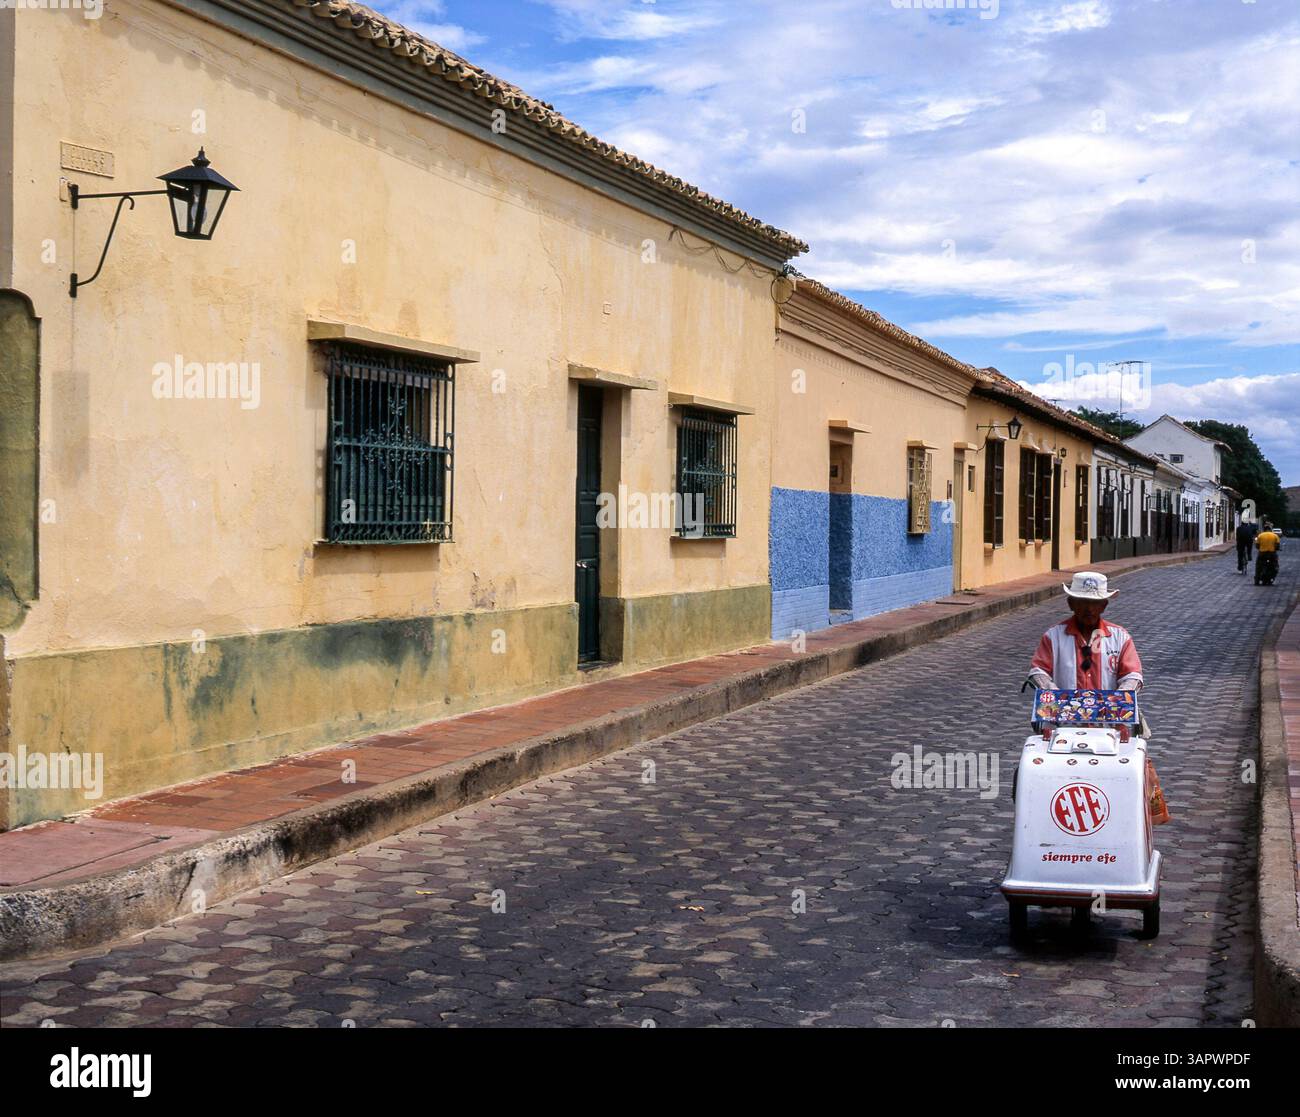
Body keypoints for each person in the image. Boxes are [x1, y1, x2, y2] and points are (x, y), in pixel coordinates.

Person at [1027, 571, 1169, 825]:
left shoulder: (1120, 637)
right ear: (1071, 604)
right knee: (1058, 782)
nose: (1088, 609)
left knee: (1120, 783)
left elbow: (1133, 674)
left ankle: (1120, 827)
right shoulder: (1053, 636)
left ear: (1104, 605)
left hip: (1112, 729)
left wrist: (1121, 698)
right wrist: (1055, 699)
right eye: (1082, 602)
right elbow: (1039, 671)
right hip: (1063, 731)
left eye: (1094, 603)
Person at [1255, 521, 1281, 585]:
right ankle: (1273, 575)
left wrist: (1261, 548)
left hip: (1262, 554)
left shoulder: (1260, 535)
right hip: (1272, 554)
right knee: (1275, 564)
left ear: (1264, 530)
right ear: (1270, 529)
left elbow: (1257, 546)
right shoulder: (1275, 536)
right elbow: (1277, 546)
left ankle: (1257, 579)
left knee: (1258, 566)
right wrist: (1276, 549)